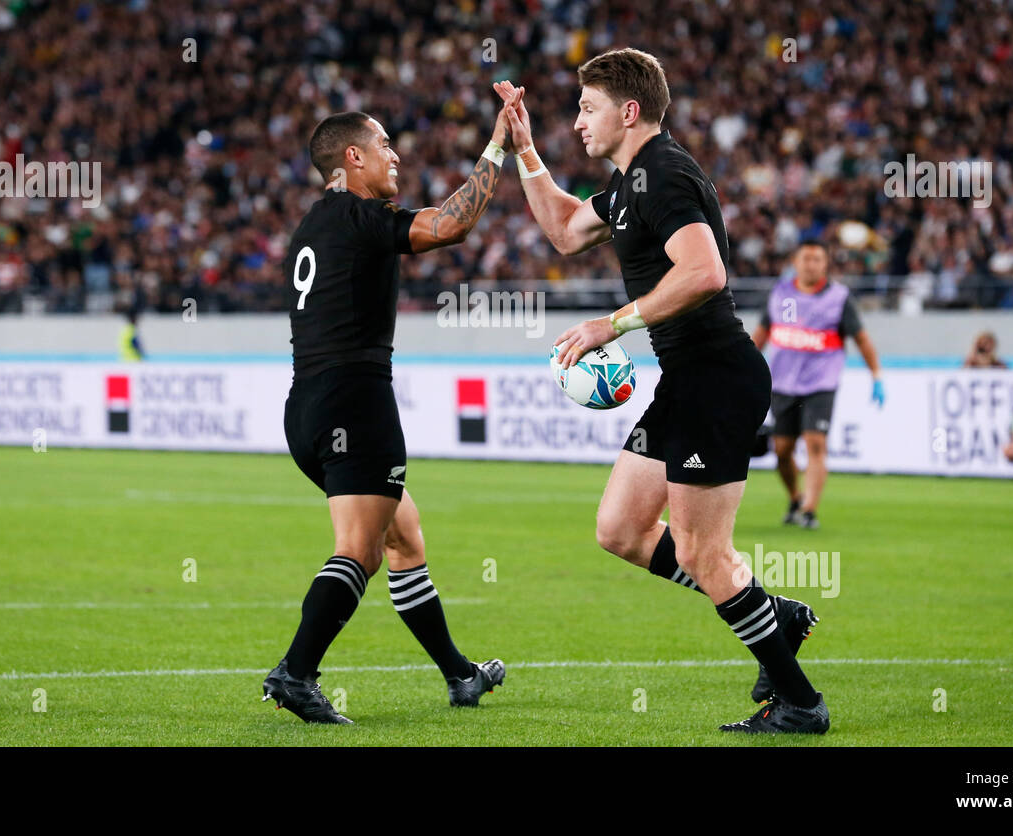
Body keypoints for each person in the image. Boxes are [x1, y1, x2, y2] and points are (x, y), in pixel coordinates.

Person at [495, 49, 828, 734]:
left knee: (708, 555)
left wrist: (610, 326)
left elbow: (704, 272)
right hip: (688, 381)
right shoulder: (627, 187)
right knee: (620, 529)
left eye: (587, 108)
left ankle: (800, 703)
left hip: (717, 380)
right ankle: (779, 615)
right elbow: (562, 230)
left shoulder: (664, 174)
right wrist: (526, 151)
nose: (578, 122)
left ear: (629, 110)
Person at [264, 94, 517, 724]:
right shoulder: (358, 215)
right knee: (360, 550)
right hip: (356, 402)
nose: (395, 154)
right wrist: (498, 148)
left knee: (403, 539)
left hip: (308, 407)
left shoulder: (314, 224)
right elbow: (450, 225)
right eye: (383, 145)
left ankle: (460, 675)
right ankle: (295, 672)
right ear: (352, 157)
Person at [751, 241, 884, 529]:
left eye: (817, 259)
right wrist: (740, 371)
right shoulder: (780, 294)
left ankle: (810, 510)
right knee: (783, 450)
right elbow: (760, 336)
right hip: (783, 384)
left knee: (815, 442)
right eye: (806, 258)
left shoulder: (838, 298)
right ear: (795, 262)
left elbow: (862, 339)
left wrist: (876, 375)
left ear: (825, 264)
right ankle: (796, 497)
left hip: (820, 384)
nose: (811, 264)